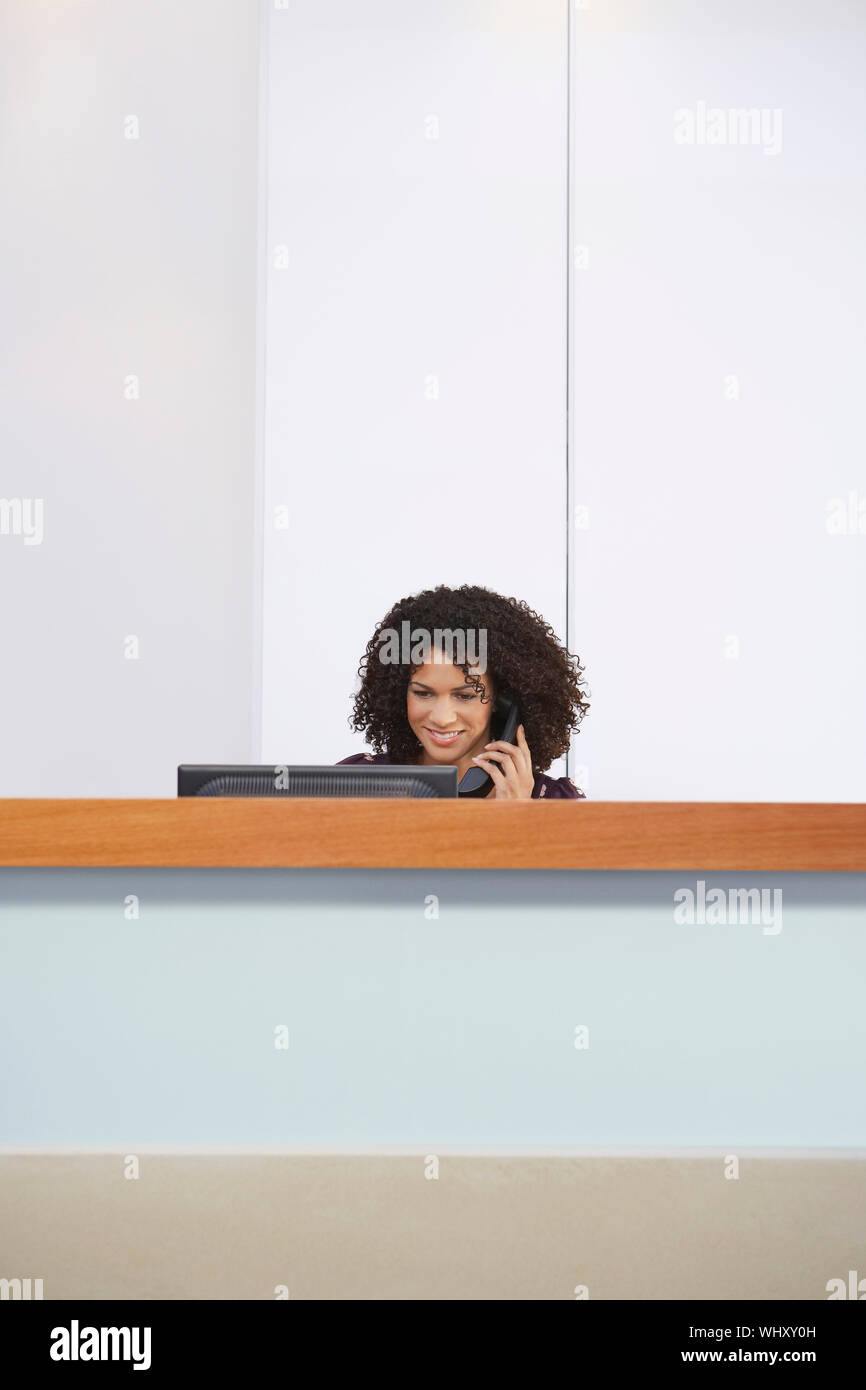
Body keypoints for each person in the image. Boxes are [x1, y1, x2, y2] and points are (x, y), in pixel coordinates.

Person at [337, 584, 590, 800]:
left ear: (503, 699)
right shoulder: (356, 784)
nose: (442, 718)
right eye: (423, 694)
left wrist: (518, 821)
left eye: (465, 696)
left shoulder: (556, 801)